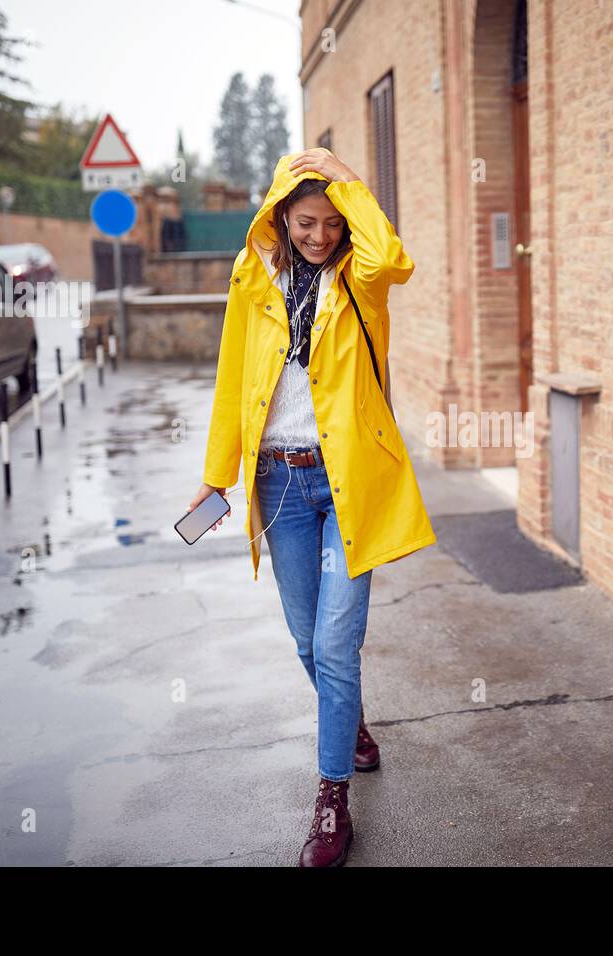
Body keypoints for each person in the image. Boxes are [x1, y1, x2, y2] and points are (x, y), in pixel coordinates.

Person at [187, 147, 437, 867]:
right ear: (279, 217)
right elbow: (234, 377)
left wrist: (347, 180)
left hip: (348, 481)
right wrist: (216, 474)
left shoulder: (363, 278)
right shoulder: (253, 277)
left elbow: (392, 254)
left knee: (334, 644)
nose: (320, 235)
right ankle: (350, 724)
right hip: (279, 484)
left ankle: (331, 799)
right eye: (305, 221)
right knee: (307, 641)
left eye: (331, 222)